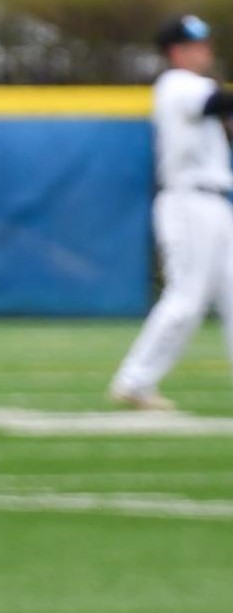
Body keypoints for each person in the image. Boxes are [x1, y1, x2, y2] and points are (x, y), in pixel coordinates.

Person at [108, 14, 233, 411]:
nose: (206, 51)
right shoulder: (177, 84)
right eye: (197, 45)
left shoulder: (195, 87)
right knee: (186, 298)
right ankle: (134, 380)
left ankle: (136, 382)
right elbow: (218, 103)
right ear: (176, 51)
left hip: (213, 201)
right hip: (188, 201)